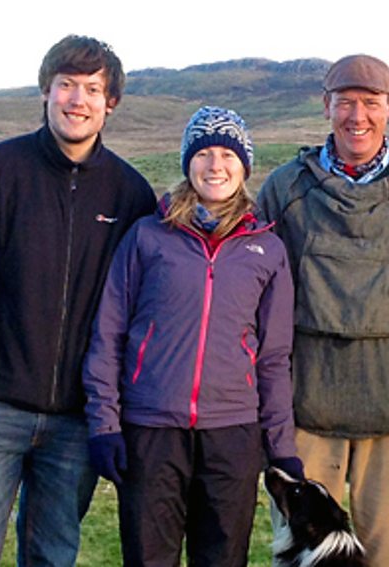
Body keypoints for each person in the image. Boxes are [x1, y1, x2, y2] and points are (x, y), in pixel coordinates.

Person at [0, 35, 157, 566]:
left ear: (110, 102)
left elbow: (142, 310)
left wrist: (109, 405)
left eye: (93, 89)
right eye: (67, 85)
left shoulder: (130, 194)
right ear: (45, 92)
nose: (78, 99)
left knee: (53, 557)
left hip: (76, 423)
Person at [256, 54, 389, 567]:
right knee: (302, 557)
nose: (358, 116)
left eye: (371, 103)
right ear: (325, 106)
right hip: (305, 412)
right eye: (345, 102)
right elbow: (255, 296)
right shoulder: (284, 190)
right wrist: (278, 384)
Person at [81, 105, 302, 567]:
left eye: (227, 154)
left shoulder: (268, 249)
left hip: (233, 436)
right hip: (151, 431)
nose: (215, 165)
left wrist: (281, 449)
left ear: (244, 166)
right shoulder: (147, 237)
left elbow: (274, 358)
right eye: (203, 153)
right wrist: (105, 425)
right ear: (188, 163)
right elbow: (109, 335)